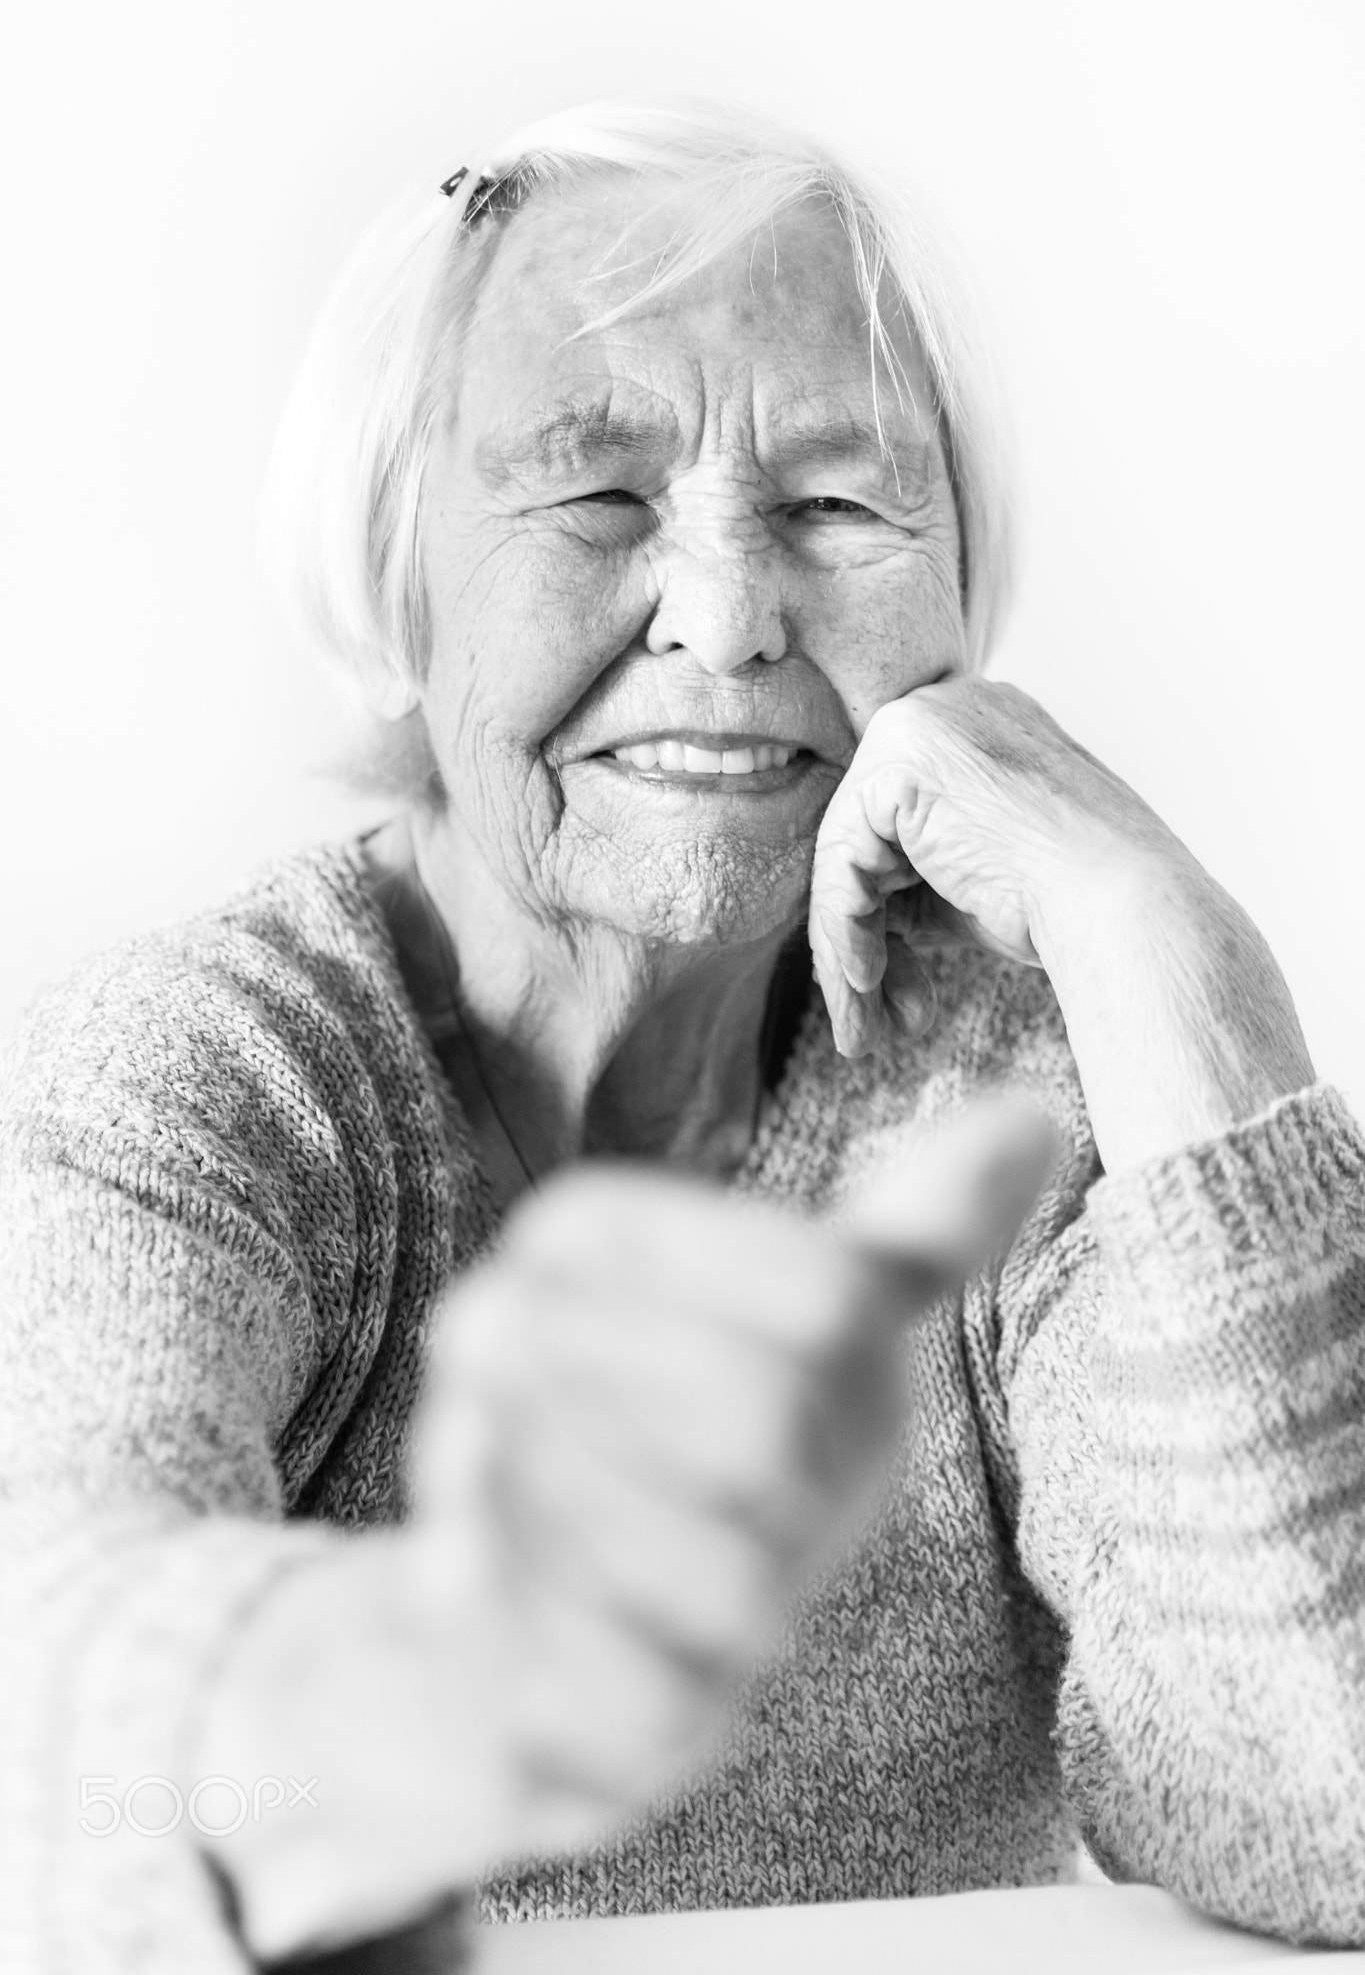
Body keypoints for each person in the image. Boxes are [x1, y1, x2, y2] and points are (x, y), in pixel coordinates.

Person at [2, 98, 1362, 1973]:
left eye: (834, 506)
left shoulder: (1028, 1085)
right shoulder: (191, 1081)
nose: (725, 621)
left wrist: (1163, 943)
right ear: (394, 575)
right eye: (594, 497)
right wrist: (451, 1700)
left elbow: (1321, 1811)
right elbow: (57, 1749)